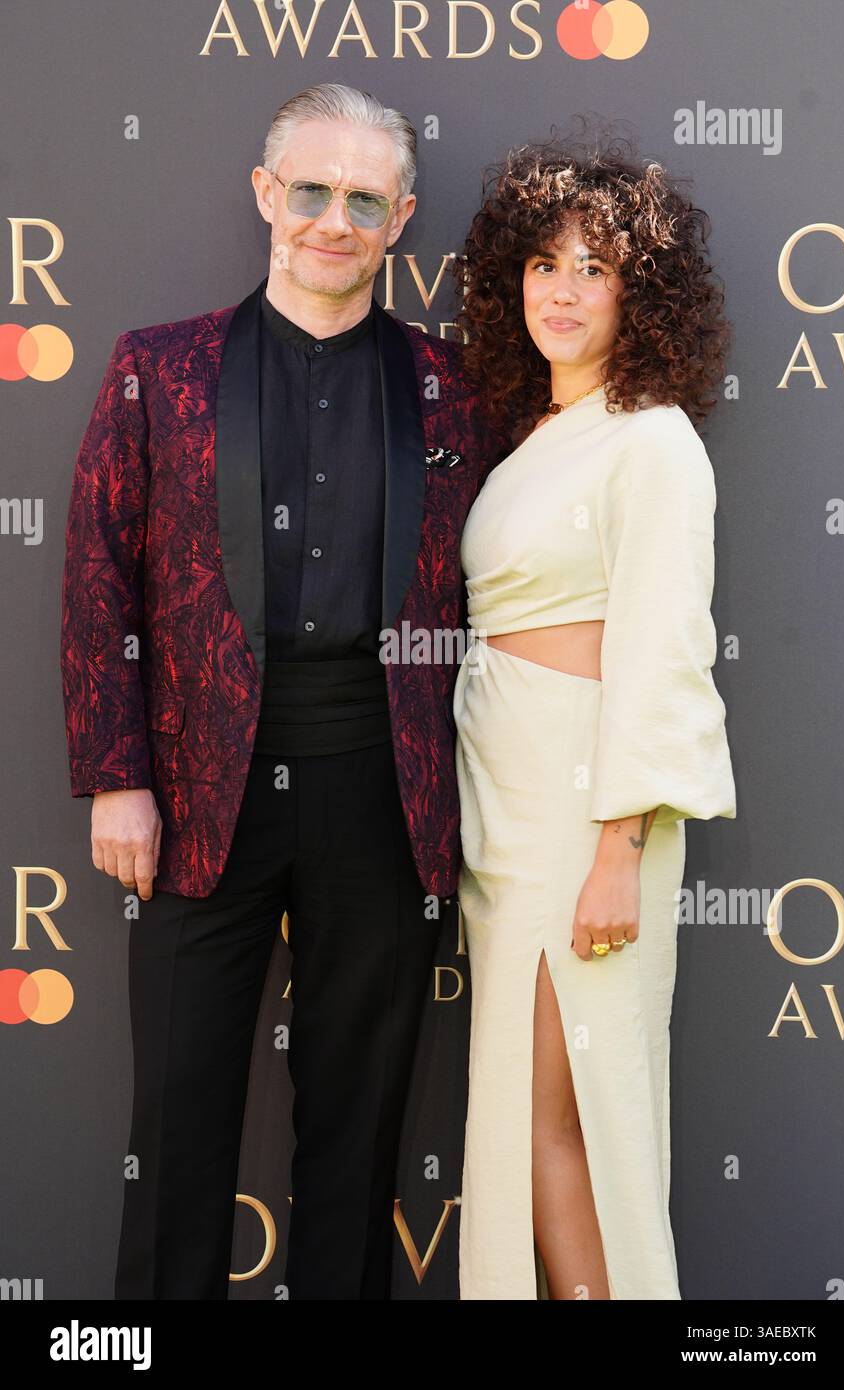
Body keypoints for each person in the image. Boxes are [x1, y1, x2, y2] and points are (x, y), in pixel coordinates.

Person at [60, 82, 500, 1300]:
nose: (332, 218)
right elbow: (100, 574)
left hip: (386, 794)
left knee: (358, 1134)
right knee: (179, 1121)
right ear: (265, 194)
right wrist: (116, 778)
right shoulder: (159, 369)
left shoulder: (456, 389)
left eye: (364, 198)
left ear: (401, 218)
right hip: (199, 795)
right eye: (309, 189)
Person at [449, 129, 737, 1300]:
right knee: (524, 1125)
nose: (561, 290)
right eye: (544, 263)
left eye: (596, 267)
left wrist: (618, 846)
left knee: (571, 1120)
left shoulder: (652, 440)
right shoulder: (536, 439)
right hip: (505, 817)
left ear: (643, 294)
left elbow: (663, 647)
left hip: (584, 822)